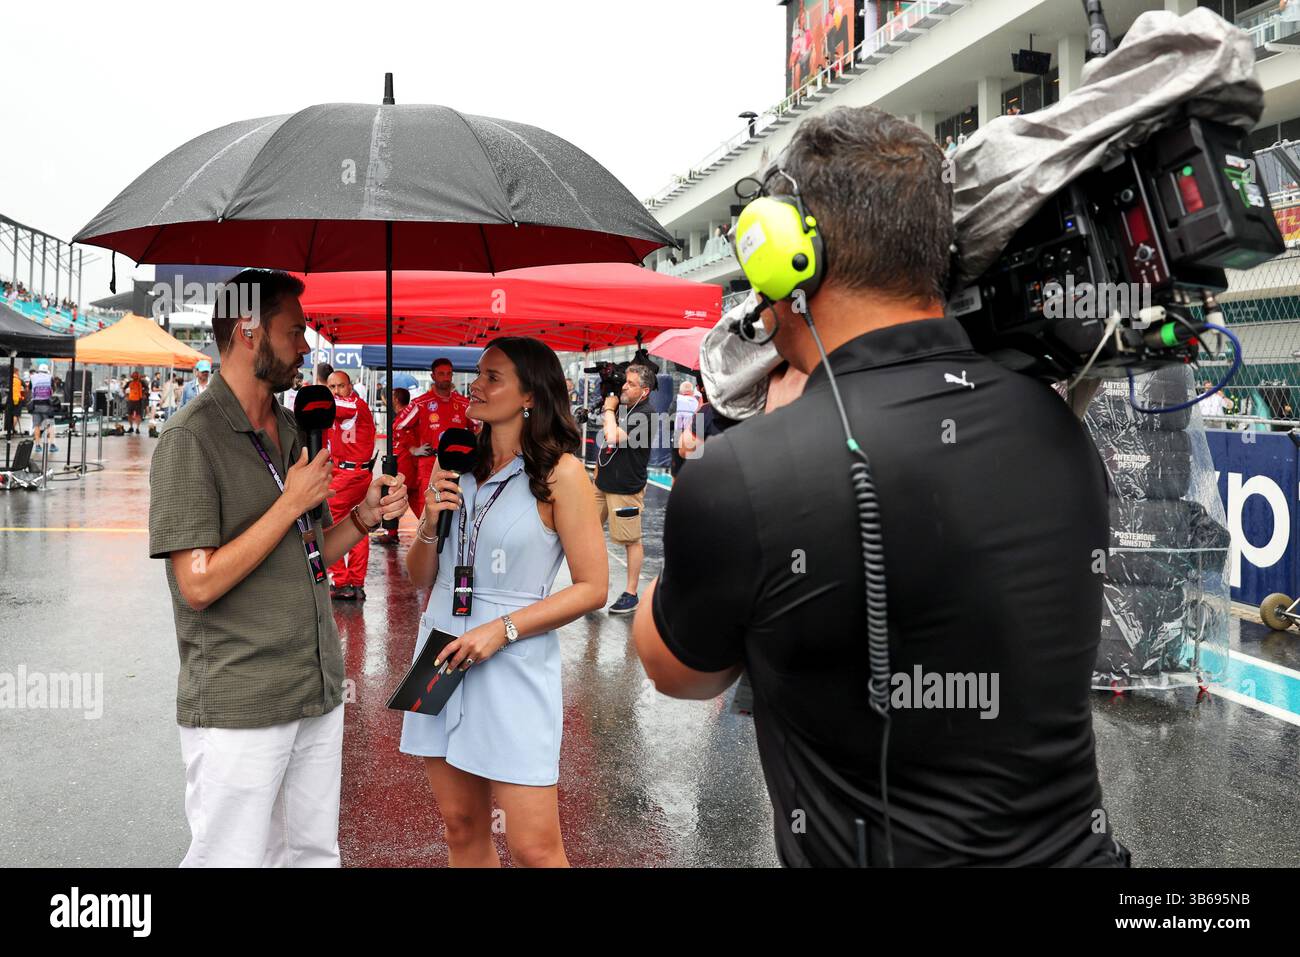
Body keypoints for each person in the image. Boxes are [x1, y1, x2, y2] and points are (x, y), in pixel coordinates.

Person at [633, 105, 1128, 868]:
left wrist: (750, 462)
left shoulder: (744, 476)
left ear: (790, 255)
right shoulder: (1058, 426)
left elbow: (674, 670)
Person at [147, 268, 406, 867]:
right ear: (248, 331)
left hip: (314, 686)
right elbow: (199, 583)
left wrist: (364, 518)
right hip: (242, 698)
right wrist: (288, 501)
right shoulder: (191, 438)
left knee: (313, 853)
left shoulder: (292, 429)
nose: (306, 347)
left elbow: (308, 550)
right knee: (233, 859)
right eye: (294, 332)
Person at [400, 336, 607, 867]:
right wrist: (428, 521)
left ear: (531, 396)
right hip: (441, 653)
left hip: (512, 660)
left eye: (493, 377)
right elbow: (420, 577)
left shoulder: (561, 474)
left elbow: (593, 587)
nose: (476, 385)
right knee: (460, 827)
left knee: (534, 846)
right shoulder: (458, 466)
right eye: (479, 373)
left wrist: (502, 630)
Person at [592, 364, 653, 614]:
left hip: (625, 486)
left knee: (630, 540)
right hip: (603, 483)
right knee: (589, 533)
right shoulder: (627, 408)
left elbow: (612, 436)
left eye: (631, 384)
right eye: (625, 382)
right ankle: (594, 586)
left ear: (645, 391)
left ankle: (631, 593)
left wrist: (608, 408)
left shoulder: (647, 413)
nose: (625, 387)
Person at [325, 370, 376, 601]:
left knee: (328, 522)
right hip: (349, 472)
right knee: (358, 525)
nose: (336, 391)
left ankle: (341, 581)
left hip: (349, 475)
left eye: (340, 386)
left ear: (351, 386)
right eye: (332, 387)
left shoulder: (355, 405)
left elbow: (330, 404)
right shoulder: (340, 406)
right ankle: (355, 582)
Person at [409, 357, 475, 503]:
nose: (446, 378)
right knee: (427, 506)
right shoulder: (420, 403)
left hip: (457, 466)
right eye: (441, 374)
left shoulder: (464, 404)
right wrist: (413, 449)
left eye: (449, 374)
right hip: (429, 463)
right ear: (433, 376)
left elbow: (478, 428)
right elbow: (398, 427)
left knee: (455, 507)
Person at [386, 385, 422, 538]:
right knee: (413, 496)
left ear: (395, 399)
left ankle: (392, 531)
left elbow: (398, 428)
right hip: (409, 460)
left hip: (405, 460)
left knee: (393, 492)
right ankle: (428, 526)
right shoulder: (409, 415)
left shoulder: (405, 416)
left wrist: (412, 449)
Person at [28, 363, 57, 451]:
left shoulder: (33, 377)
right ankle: (52, 445)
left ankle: (37, 446)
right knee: (50, 425)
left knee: (36, 425)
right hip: (47, 404)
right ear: (46, 370)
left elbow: (30, 388)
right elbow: (53, 388)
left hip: (36, 404)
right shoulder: (50, 377)